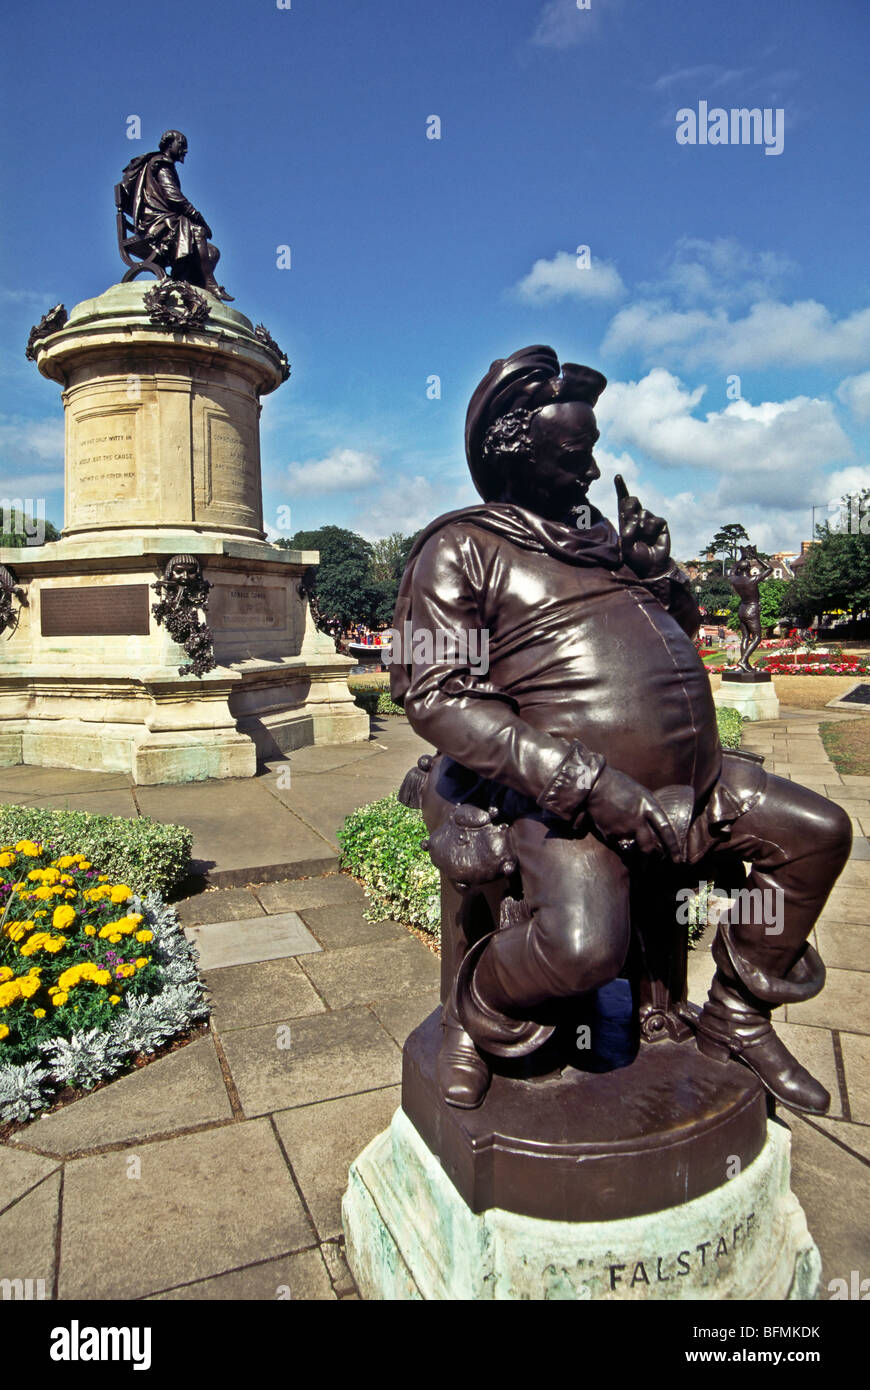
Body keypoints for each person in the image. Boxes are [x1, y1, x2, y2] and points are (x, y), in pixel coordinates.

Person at [391, 345, 850, 1113]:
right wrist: (592, 786)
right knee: (581, 948)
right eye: (578, 454)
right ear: (517, 452)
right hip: (565, 803)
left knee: (815, 837)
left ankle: (737, 1011)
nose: (595, 472)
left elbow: (673, 632)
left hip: (693, 787)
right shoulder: (461, 549)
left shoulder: (601, 547)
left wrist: (658, 575)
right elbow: (437, 698)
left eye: (595, 452)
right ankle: (482, 1009)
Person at [120, 131, 233, 301]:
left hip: (167, 223)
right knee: (198, 231)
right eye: (181, 144)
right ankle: (210, 284)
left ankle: (192, 286)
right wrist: (199, 218)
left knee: (212, 252)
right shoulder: (161, 164)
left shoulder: (163, 165)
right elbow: (174, 197)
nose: (185, 150)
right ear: (168, 144)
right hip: (156, 223)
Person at [727, 546, 774, 671]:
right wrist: (757, 557)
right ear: (749, 568)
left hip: (742, 609)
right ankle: (743, 661)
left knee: (745, 637)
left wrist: (742, 557)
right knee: (757, 638)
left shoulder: (734, 580)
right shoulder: (752, 580)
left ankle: (744, 664)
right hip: (752, 609)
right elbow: (770, 568)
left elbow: (732, 569)